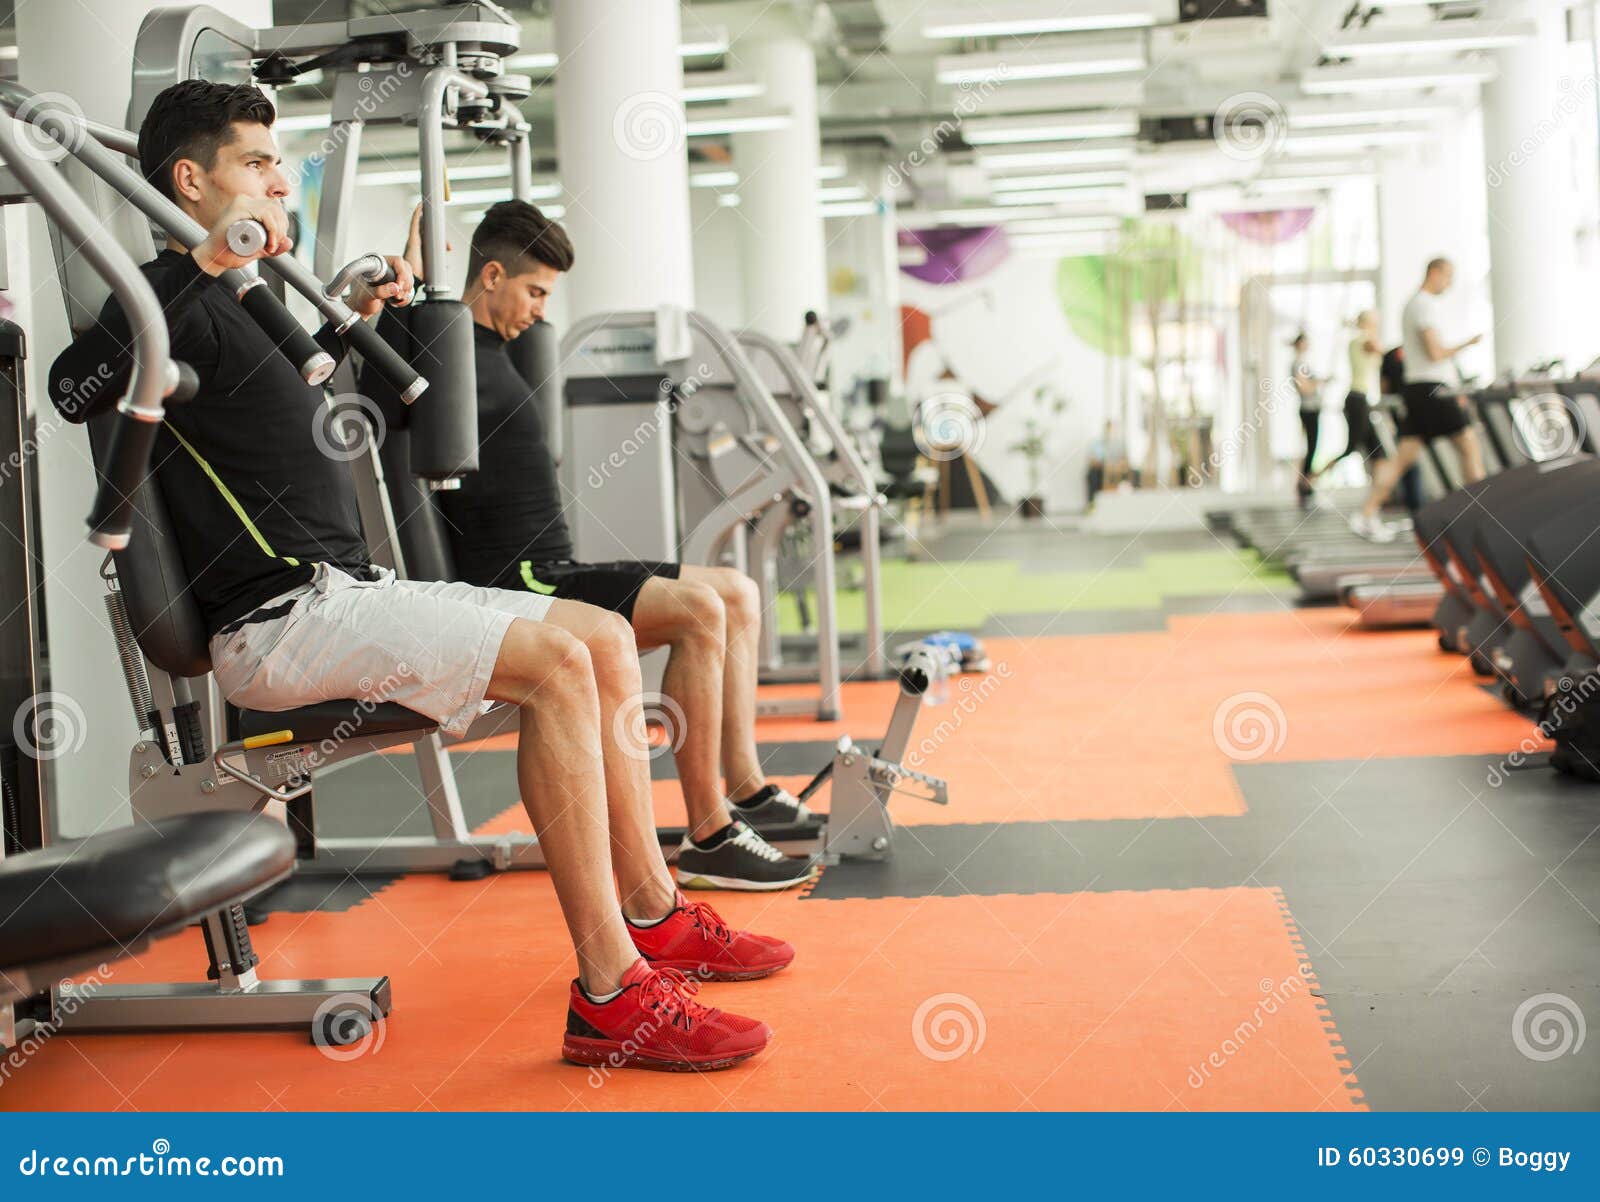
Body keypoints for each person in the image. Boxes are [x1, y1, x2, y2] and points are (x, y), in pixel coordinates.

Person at [47, 80, 789, 1072]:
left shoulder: (247, 304)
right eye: (258, 164)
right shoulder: (174, 300)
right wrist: (191, 267)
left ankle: (653, 910)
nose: (278, 181)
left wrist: (359, 314)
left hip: (346, 589)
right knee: (560, 667)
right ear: (193, 179)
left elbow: (324, 413)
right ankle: (610, 991)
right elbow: (71, 386)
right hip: (276, 620)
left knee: (603, 637)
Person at [365, 201, 813, 892]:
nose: (542, 310)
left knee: (737, 592)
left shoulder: (499, 352)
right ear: (491, 275)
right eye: (535, 291)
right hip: (517, 579)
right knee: (700, 611)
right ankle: (708, 833)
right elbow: (379, 385)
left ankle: (747, 787)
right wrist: (410, 288)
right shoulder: (443, 347)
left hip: (555, 566)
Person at [1352, 258, 1484, 541]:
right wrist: (1468, 344)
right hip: (1433, 389)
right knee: (1469, 447)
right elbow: (1435, 353)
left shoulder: (1414, 304)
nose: (1449, 285)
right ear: (1434, 273)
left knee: (1402, 459)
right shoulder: (1423, 305)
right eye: (1448, 278)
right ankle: (1480, 518)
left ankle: (1367, 514)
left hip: (1419, 389)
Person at [1315, 311, 1384, 482]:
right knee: (1351, 448)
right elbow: (1381, 351)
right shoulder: (1365, 341)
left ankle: (1380, 492)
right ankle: (1313, 477)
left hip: (1359, 398)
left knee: (1377, 450)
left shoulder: (1355, 341)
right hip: (1357, 400)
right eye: (1374, 322)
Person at [1289, 333, 1324, 507]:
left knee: (1311, 448)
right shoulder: (1299, 363)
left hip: (1311, 409)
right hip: (1308, 409)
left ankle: (1305, 483)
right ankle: (1304, 484)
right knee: (1311, 447)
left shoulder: (1302, 362)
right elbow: (1305, 388)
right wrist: (1318, 382)